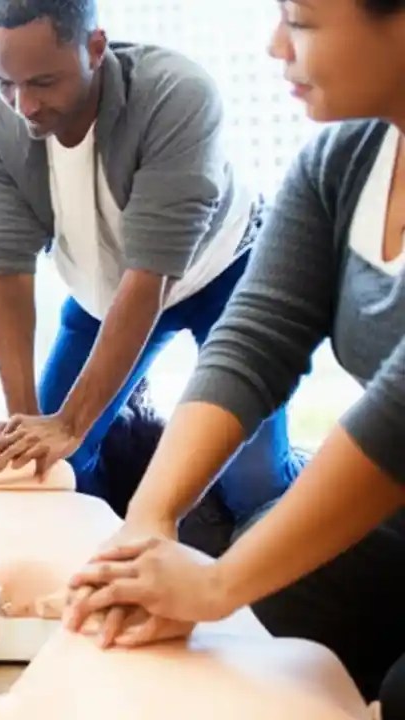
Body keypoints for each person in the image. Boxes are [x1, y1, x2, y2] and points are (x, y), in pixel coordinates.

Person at [63, 0, 405, 711]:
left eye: (302, 22)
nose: (277, 46)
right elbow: (253, 342)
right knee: (259, 607)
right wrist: (148, 526)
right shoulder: (340, 164)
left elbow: (397, 419)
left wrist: (217, 586)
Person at [0, 0, 304, 530]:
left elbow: (150, 275)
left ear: (95, 50)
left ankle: (289, 500)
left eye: (44, 82)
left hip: (223, 274)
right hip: (104, 291)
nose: (25, 105)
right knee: (57, 465)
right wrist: (27, 425)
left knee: (252, 481)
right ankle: (111, 549)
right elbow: (4, 274)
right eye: (6, 82)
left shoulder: (177, 96)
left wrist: (72, 421)